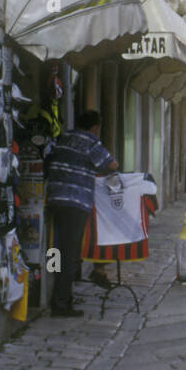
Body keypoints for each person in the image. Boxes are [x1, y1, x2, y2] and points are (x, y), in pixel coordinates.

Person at [43, 109, 120, 316]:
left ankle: (56, 292)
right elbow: (112, 164)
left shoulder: (65, 136)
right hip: (75, 201)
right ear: (95, 127)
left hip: (55, 197)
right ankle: (60, 304)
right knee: (69, 253)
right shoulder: (90, 142)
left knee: (56, 247)